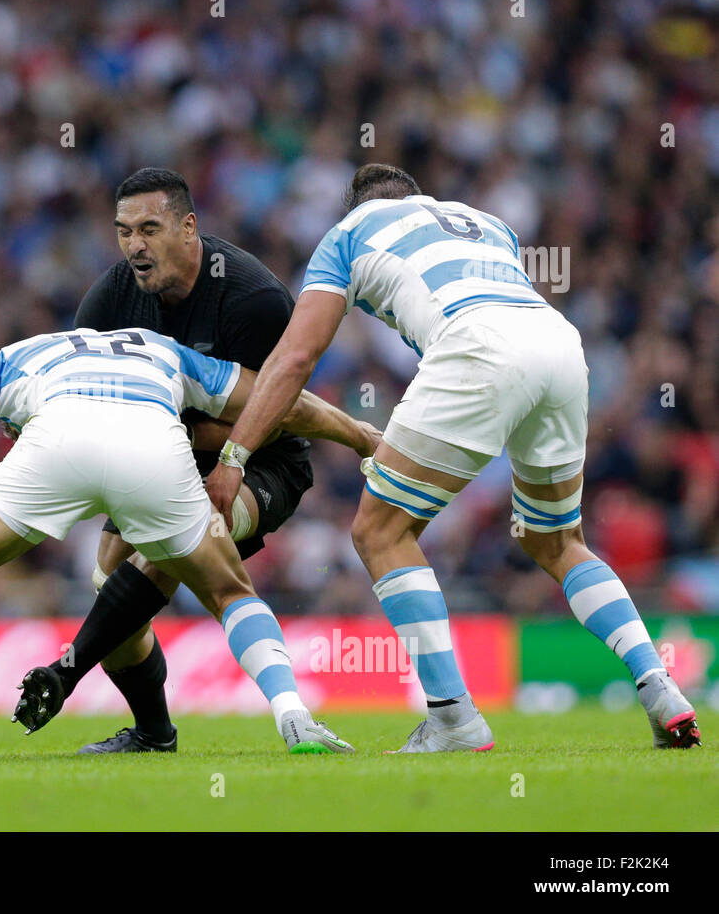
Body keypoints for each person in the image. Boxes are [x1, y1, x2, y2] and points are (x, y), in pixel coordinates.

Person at [205, 163, 701, 752]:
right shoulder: (486, 223)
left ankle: (452, 718)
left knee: (380, 531)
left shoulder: (348, 233)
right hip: (560, 345)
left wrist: (236, 455)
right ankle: (659, 685)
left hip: (477, 345)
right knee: (559, 540)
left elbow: (295, 358)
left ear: (355, 206)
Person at [0, 326, 356, 762]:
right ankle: (295, 717)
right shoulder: (161, 348)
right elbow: (282, 404)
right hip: (152, 447)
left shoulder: (19, 358)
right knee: (230, 591)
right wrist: (360, 435)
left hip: (56, 447)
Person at [10, 167, 379, 754]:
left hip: (262, 462)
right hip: (162, 458)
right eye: (123, 231)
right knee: (107, 573)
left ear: (188, 228)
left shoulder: (252, 299)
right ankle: (154, 733)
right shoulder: (111, 299)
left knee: (181, 537)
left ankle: (68, 671)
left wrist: (355, 438)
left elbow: (286, 410)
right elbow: (80, 393)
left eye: (149, 229)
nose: (135, 245)